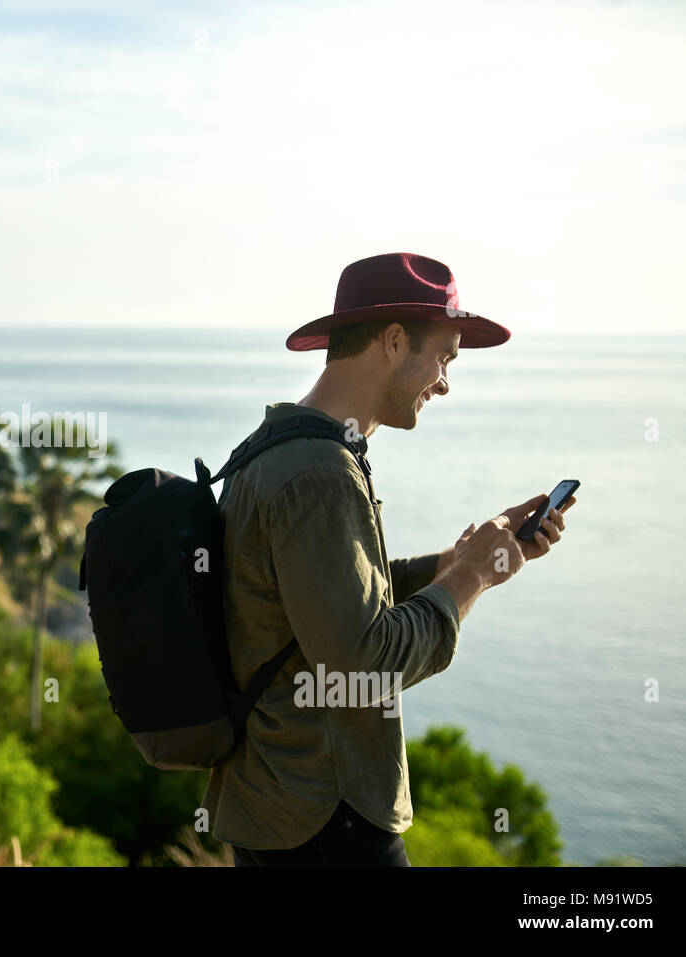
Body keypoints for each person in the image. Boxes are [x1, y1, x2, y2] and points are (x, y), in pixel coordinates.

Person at [201, 252, 577, 867]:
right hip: (325, 819)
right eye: (445, 357)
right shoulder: (320, 472)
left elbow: (323, 606)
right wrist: (472, 576)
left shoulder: (275, 447)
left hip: (280, 808)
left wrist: (452, 561)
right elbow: (361, 667)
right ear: (395, 342)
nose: (446, 381)